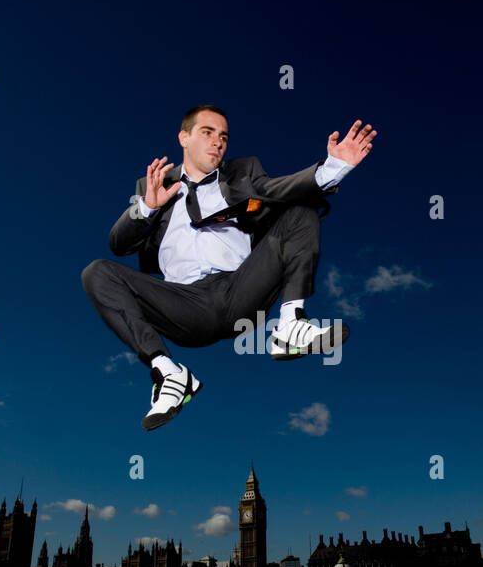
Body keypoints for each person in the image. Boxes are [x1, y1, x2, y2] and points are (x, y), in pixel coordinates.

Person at [82, 105, 376, 430]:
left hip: (241, 292)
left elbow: (279, 190)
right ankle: (169, 374)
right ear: (184, 137)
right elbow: (119, 245)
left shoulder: (243, 172)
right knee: (97, 272)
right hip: (185, 304)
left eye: (223, 136)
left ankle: (290, 326)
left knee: (300, 209)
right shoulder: (153, 185)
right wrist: (148, 207)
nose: (217, 142)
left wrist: (333, 168)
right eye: (208, 133)